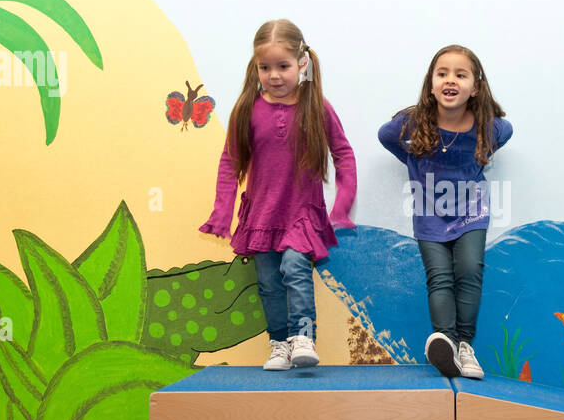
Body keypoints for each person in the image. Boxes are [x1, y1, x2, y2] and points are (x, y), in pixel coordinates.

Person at [201, 19, 356, 370]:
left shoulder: (317, 107)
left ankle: (304, 336)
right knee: (270, 284)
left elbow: (343, 154)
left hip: (301, 212)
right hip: (262, 215)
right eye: (265, 67)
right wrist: (222, 213)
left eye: (282, 66)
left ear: (302, 64)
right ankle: (279, 343)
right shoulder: (247, 109)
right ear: (255, 67)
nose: (273, 75)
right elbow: (230, 163)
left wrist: (342, 206)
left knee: (295, 267)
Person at [379, 45, 512, 379]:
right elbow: (385, 136)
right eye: (442, 73)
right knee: (439, 276)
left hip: (471, 211)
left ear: (475, 87)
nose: (450, 80)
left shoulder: (487, 127)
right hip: (429, 212)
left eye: (460, 74)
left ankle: (465, 345)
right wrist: (414, 162)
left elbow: (505, 131)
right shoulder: (411, 124)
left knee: (468, 270)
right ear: (431, 82)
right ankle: (447, 344)